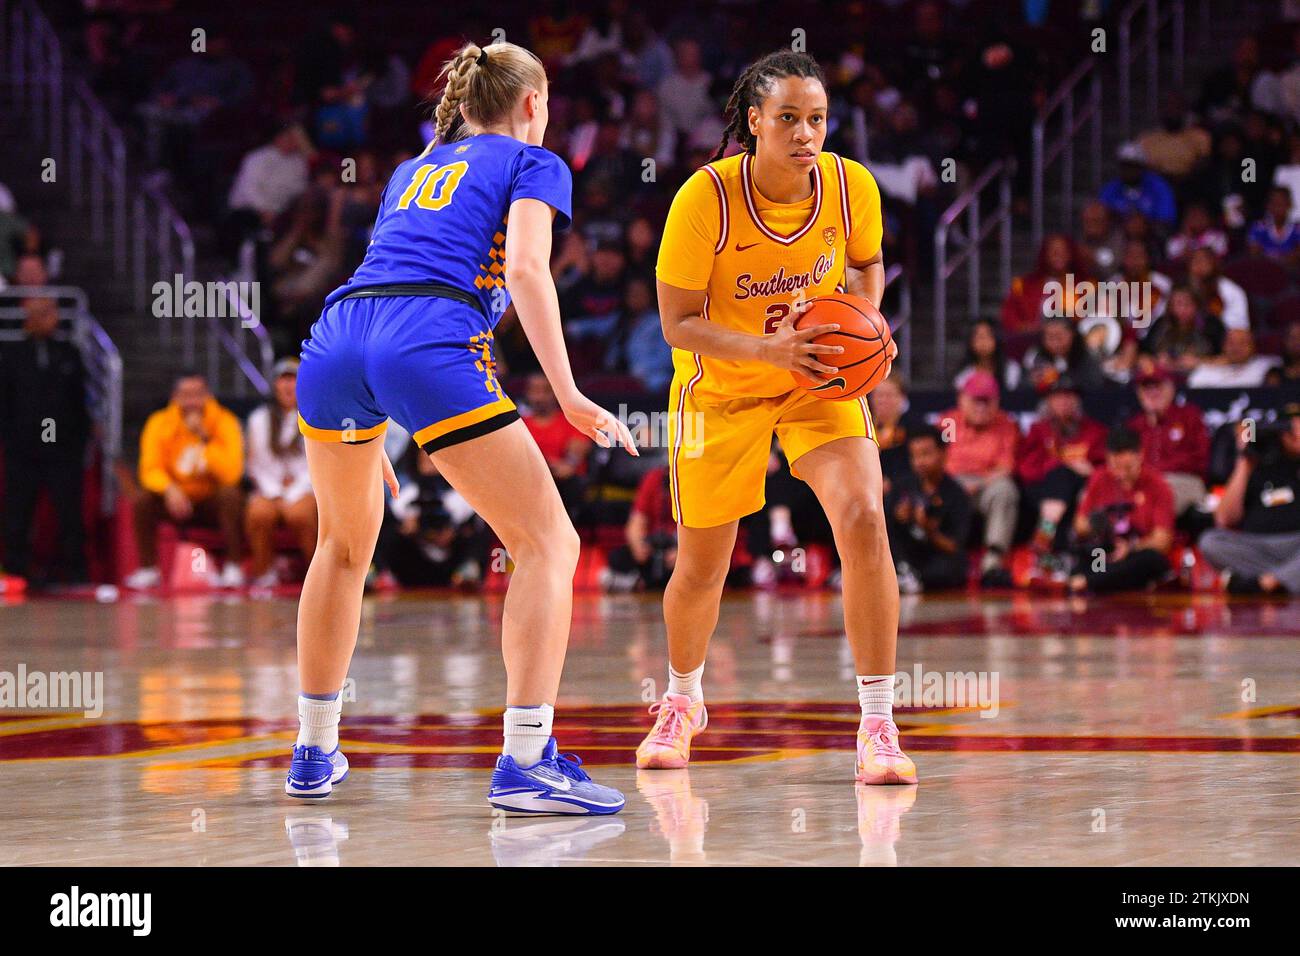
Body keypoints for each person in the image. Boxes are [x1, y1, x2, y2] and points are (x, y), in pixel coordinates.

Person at [289, 42, 634, 813]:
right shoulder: (533, 160)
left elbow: (388, 269)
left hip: (338, 340)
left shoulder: (416, 167)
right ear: (533, 105)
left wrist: (372, 416)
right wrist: (568, 390)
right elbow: (526, 272)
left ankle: (313, 749)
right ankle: (525, 760)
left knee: (341, 548)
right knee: (549, 543)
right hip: (427, 338)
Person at [636, 50, 914, 786]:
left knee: (863, 517)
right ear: (754, 121)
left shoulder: (853, 188)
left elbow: (867, 266)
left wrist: (865, 321)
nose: (804, 133)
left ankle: (879, 723)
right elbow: (676, 322)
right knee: (701, 567)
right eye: (787, 118)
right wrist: (769, 348)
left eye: (816, 118)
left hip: (816, 380)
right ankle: (682, 700)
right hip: (721, 388)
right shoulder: (705, 199)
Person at [0, 296, 91, 586]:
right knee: (18, 512)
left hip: (62, 449)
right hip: (23, 450)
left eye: (54, 313)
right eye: (45, 314)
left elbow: (80, 401)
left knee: (69, 513)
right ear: (30, 318)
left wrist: (79, 439)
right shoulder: (10, 354)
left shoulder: (69, 353)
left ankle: (75, 573)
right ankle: (16, 571)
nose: (53, 319)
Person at [126, 372, 246, 590]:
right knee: (142, 500)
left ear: (208, 395)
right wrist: (170, 490)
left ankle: (233, 566)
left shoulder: (225, 421)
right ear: (175, 397)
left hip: (210, 500)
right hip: (175, 499)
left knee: (231, 495)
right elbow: (149, 469)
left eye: (198, 394)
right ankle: (148, 569)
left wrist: (204, 438)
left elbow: (232, 473)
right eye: (186, 395)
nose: (192, 402)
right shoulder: (158, 423)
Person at [1199, 407, 1300, 594]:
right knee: (1210, 541)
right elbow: (1224, 519)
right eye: (1288, 428)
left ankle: (1266, 583)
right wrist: (1244, 461)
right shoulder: (1256, 463)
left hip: (1296, 543)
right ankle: (1284, 578)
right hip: (1257, 546)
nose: (1293, 434)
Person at [1068, 426, 1175, 593]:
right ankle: (1096, 580)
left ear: (1140, 455)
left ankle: (1090, 581)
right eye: (1116, 467)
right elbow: (1079, 525)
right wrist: (1095, 526)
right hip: (1107, 551)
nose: (1121, 475)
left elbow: (1162, 540)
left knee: (1152, 560)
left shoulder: (1158, 486)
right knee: (1094, 551)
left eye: (1128, 467)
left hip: (1135, 552)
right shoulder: (1100, 478)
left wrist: (1131, 547)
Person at [942, 370, 1021, 587]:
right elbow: (938, 460)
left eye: (987, 401)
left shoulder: (1006, 425)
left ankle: (992, 565)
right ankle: (942, 563)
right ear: (962, 399)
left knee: (1005, 490)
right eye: (976, 400)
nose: (981, 407)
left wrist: (976, 486)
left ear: (997, 402)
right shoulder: (948, 422)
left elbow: (1006, 468)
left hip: (985, 486)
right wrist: (955, 486)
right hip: (952, 483)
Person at [244, 358, 316, 589]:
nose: (288, 386)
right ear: (274, 385)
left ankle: (316, 575)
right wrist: (276, 492)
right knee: (258, 513)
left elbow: (318, 461)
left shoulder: (316, 415)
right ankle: (264, 573)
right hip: (269, 488)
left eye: (293, 379)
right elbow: (255, 463)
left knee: (299, 515)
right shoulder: (258, 420)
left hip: (306, 487)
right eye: (283, 380)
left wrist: (293, 492)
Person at [1017, 375, 1107, 559]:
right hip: (1044, 490)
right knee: (1061, 475)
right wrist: (1062, 464)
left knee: (1073, 481)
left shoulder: (1096, 431)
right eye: (1058, 396)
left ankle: (1046, 535)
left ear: (1078, 401)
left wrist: (1090, 471)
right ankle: (1048, 534)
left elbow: (1108, 468)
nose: (1064, 401)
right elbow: (1026, 470)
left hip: (1083, 491)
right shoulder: (1038, 430)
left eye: (1069, 396)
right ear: (1048, 402)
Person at [886, 425, 972, 593]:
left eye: (926, 454)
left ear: (943, 454)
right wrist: (899, 516)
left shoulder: (957, 494)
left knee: (952, 569)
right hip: (906, 554)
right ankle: (904, 574)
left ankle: (910, 579)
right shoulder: (902, 486)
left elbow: (954, 546)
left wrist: (928, 529)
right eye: (914, 456)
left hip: (935, 555)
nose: (919, 462)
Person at [1127, 367, 1210, 520]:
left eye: (1157, 386)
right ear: (1138, 393)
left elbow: (1201, 459)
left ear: (1171, 388)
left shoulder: (1189, 416)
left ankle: (1151, 540)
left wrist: (1155, 472)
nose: (1152, 392)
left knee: (1160, 493)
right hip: (1143, 484)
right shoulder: (1134, 425)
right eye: (1146, 387)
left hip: (1184, 481)